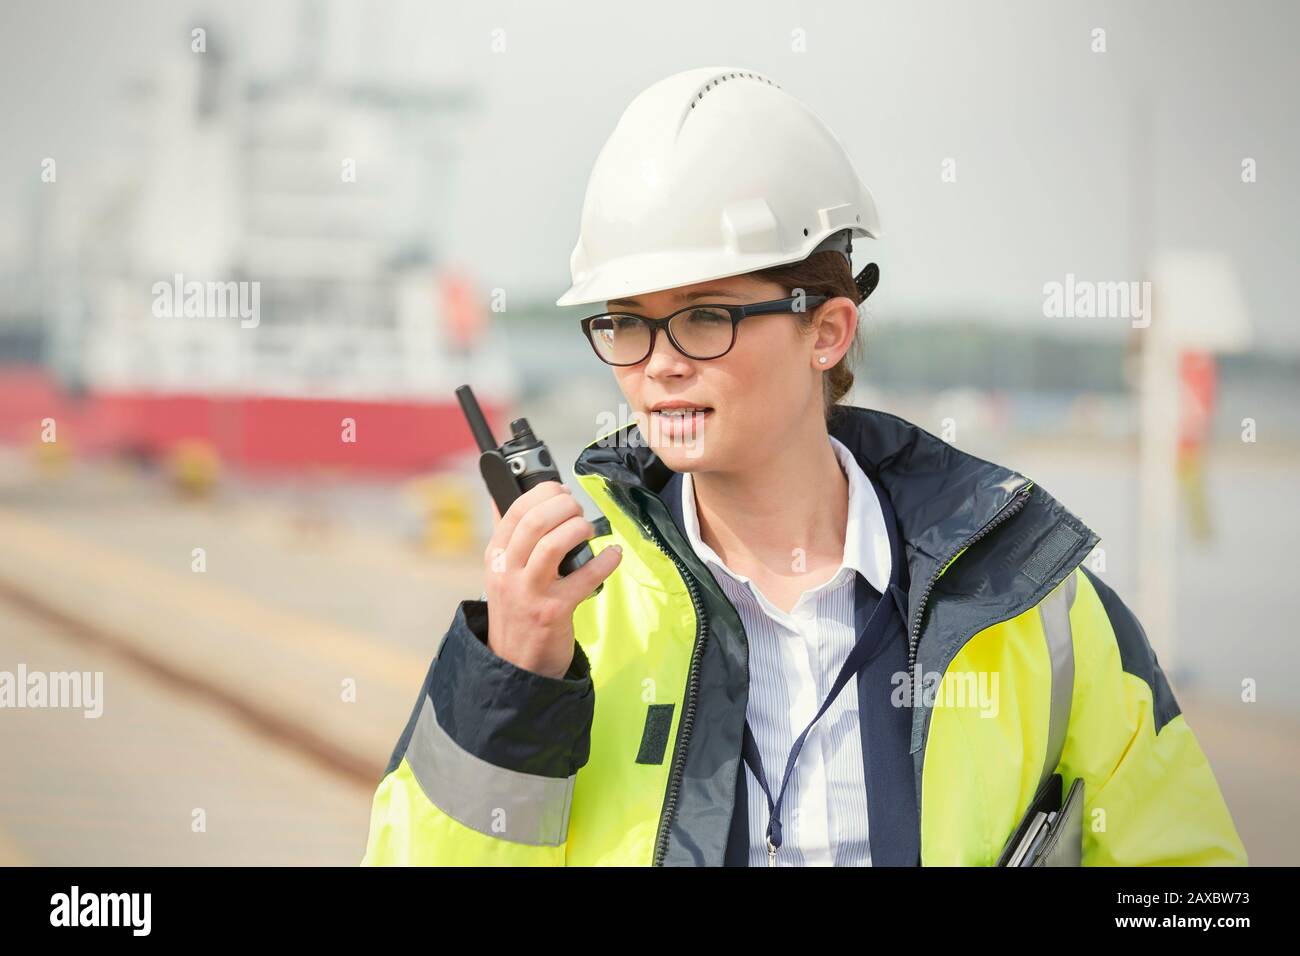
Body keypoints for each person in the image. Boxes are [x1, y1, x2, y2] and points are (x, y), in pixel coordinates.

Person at [361, 67, 1246, 866]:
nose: (658, 362)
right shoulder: (567, 611)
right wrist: (513, 683)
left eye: (705, 316)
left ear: (827, 331)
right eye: (627, 321)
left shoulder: (1027, 603)